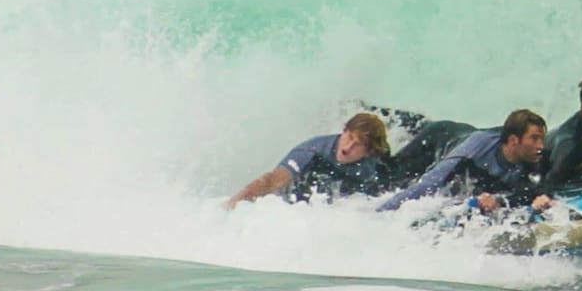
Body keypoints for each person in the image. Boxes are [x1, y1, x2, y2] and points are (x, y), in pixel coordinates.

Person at [377, 109, 553, 214]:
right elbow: (429, 183)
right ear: (514, 140)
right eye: (535, 139)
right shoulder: (478, 146)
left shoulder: (533, 157)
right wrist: (382, 213)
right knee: (389, 178)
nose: (540, 146)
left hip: (464, 141)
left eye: (542, 139)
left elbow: (536, 190)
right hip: (437, 140)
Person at [224, 112, 391, 210]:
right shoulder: (312, 152)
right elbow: (271, 180)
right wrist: (233, 203)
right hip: (299, 209)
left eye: (358, 144)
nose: (348, 147)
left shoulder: (376, 157)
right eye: (349, 137)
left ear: (369, 151)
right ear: (344, 131)